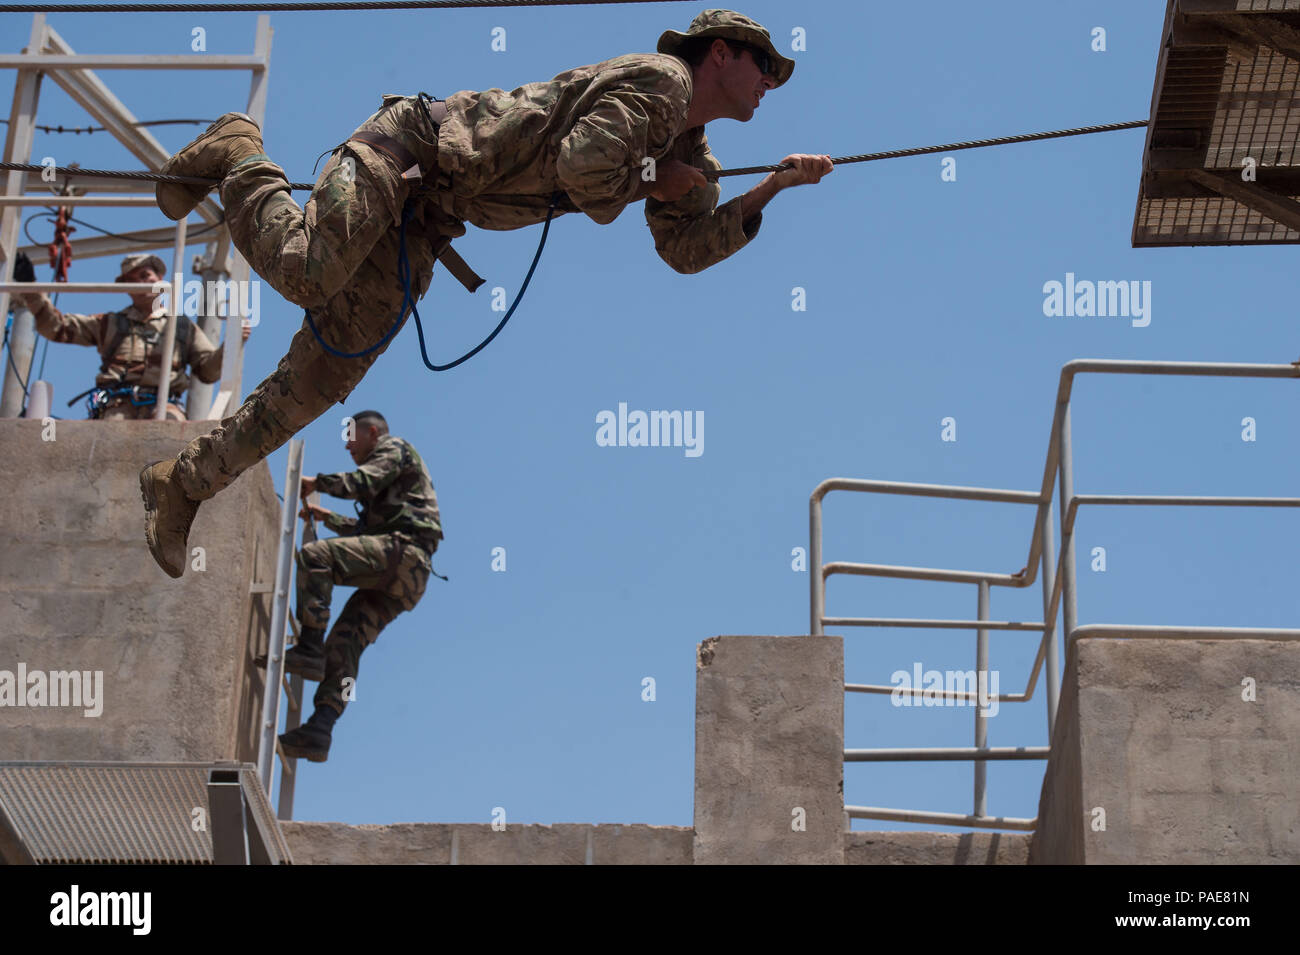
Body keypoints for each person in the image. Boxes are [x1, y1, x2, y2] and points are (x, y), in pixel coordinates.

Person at [138, 8, 831, 578]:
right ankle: (239, 153)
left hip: (427, 214)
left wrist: (770, 188)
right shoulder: (664, 83)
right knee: (307, 269)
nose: (771, 81)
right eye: (763, 64)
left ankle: (186, 482)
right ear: (720, 54)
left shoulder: (693, 150)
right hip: (407, 152)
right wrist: (652, 180)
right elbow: (584, 165)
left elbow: (682, 249)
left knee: (322, 378)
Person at [274, 410, 442, 762]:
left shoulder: (394, 448)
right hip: (404, 576)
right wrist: (328, 518)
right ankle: (320, 728)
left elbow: (360, 483)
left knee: (315, 557)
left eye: (352, 436)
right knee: (344, 644)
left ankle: (308, 647)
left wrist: (316, 483)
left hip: (403, 555)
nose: (348, 446)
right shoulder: (390, 484)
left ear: (373, 432)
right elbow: (366, 534)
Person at [11, 251, 249, 420]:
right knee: (109, 441)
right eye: (133, 280)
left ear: (161, 281)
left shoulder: (182, 328)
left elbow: (207, 371)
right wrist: (31, 289)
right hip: (117, 405)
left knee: (170, 436)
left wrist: (232, 344)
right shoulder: (110, 323)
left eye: (146, 276)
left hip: (164, 406)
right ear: (125, 288)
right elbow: (57, 328)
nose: (142, 283)